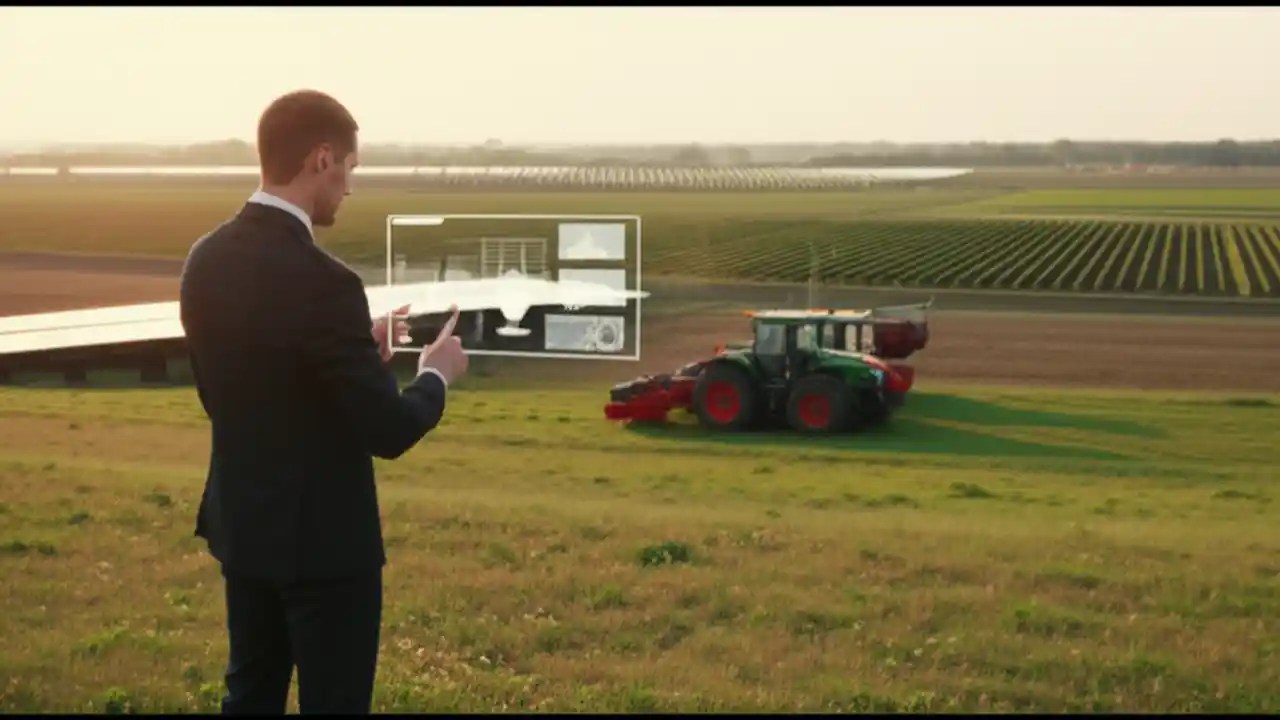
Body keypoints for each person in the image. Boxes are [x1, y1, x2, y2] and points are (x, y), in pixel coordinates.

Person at [178, 89, 469, 714]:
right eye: (350, 168)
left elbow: (234, 393)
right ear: (321, 159)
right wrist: (435, 375)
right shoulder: (328, 283)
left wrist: (358, 355)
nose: (350, 187)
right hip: (326, 549)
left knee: (248, 696)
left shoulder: (204, 261)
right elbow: (389, 430)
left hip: (245, 528)